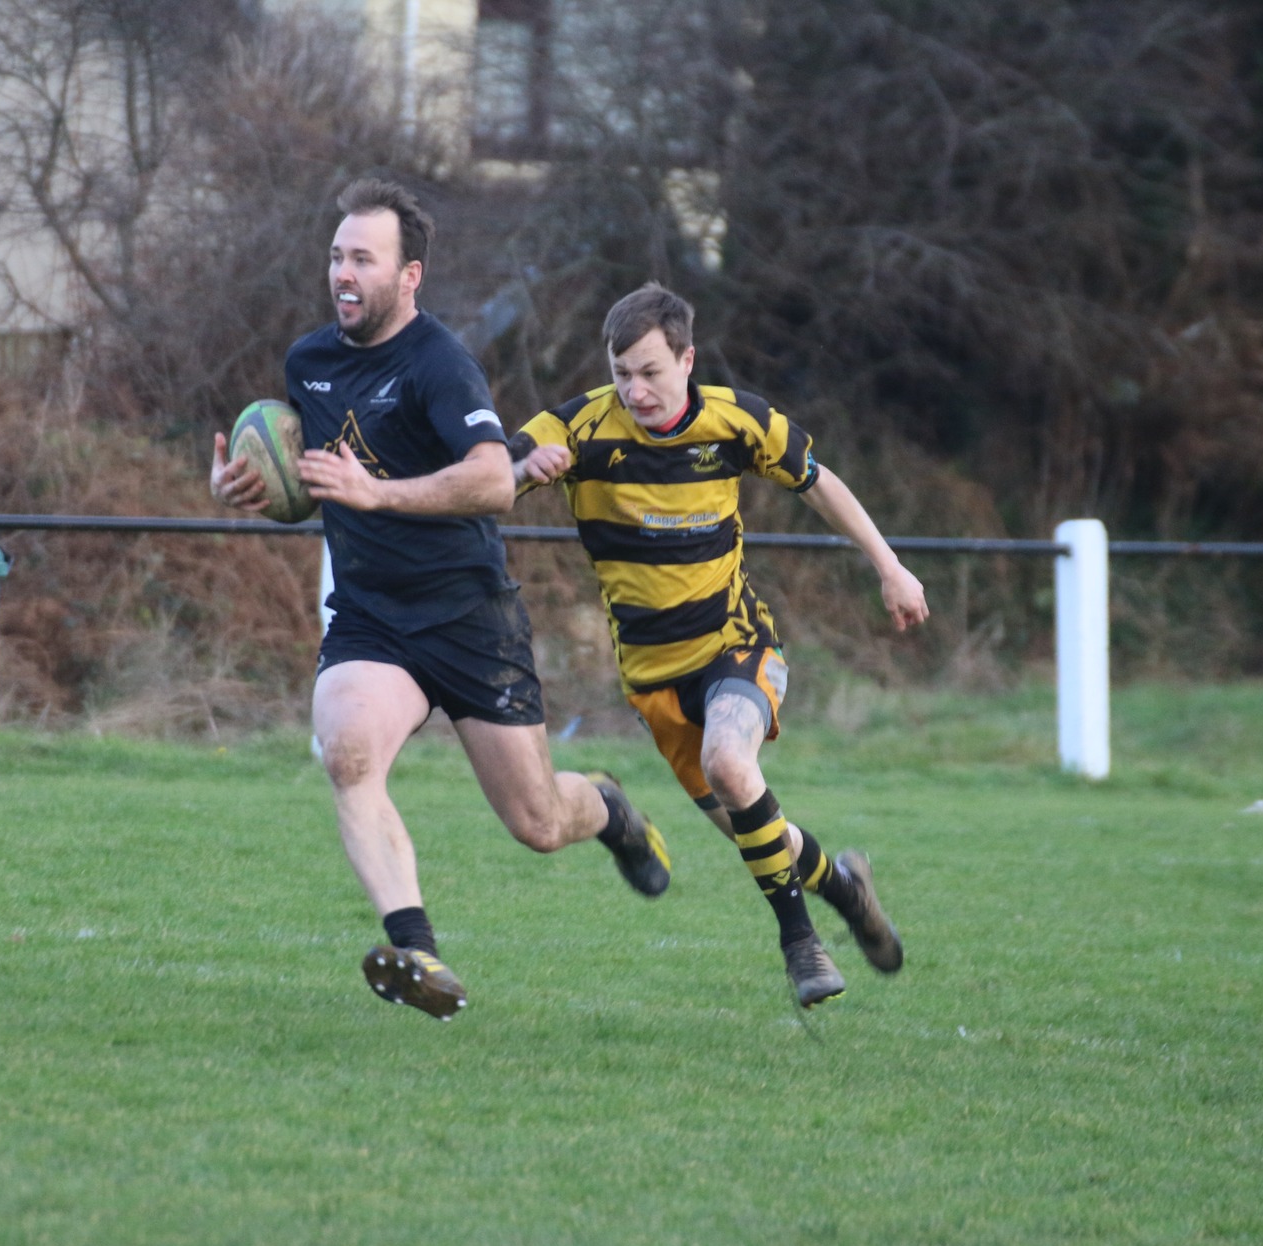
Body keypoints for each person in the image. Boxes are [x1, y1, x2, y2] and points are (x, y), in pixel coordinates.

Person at [210, 178, 672, 1021]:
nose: (343, 273)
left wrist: (378, 494)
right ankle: (417, 949)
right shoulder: (308, 364)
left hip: (466, 615)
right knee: (347, 754)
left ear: (408, 275)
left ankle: (607, 806)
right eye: (336, 256)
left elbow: (493, 481)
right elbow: (320, 481)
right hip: (371, 617)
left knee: (538, 821)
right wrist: (251, 487)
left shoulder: (439, 363)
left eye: (363, 259)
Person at [511, 283, 930, 1008]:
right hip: (653, 682)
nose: (636, 391)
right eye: (621, 374)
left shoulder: (738, 421)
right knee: (759, 831)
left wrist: (889, 566)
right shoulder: (577, 428)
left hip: (736, 647)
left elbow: (819, 482)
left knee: (732, 766)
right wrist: (519, 471)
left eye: (651, 372)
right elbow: (485, 472)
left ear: (687, 360)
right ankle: (847, 889)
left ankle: (801, 945)